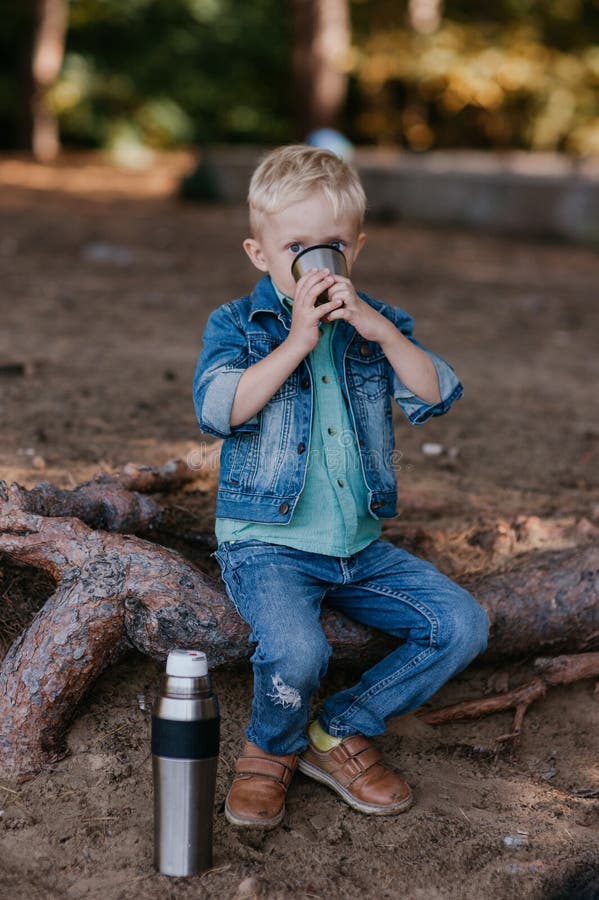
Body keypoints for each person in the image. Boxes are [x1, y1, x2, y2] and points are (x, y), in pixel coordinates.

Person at [193, 145, 489, 829]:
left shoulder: (372, 323)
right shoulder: (239, 325)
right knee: (300, 651)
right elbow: (218, 411)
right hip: (267, 541)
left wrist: (380, 330)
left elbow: (435, 393)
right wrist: (295, 341)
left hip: (356, 543)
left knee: (460, 624)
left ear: (355, 248)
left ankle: (337, 730)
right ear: (259, 253)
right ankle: (268, 751)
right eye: (295, 245)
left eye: (329, 246)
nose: (314, 260)